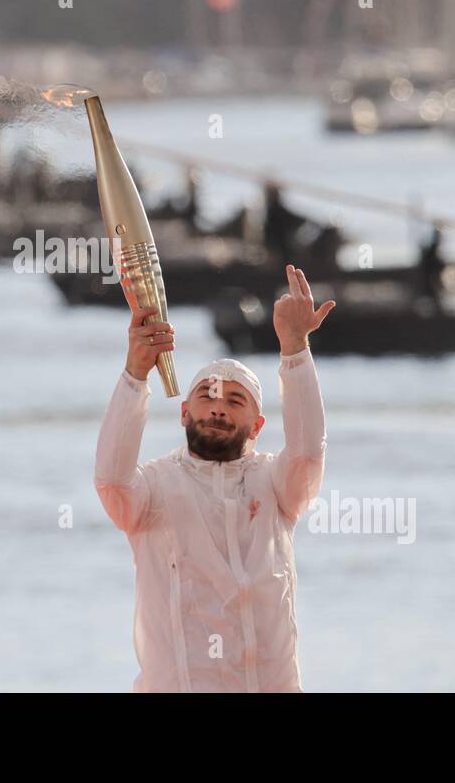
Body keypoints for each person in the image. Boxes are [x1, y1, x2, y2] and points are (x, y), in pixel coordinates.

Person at [95, 264, 335, 692]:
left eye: (235, 400)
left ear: (257, 425)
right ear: (184, 413)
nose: (219, 408)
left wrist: (296, 349)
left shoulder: (277, 486)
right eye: (206, 397)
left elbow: (307, 453)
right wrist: (135, 373)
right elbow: (111, 481)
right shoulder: (153, 490)